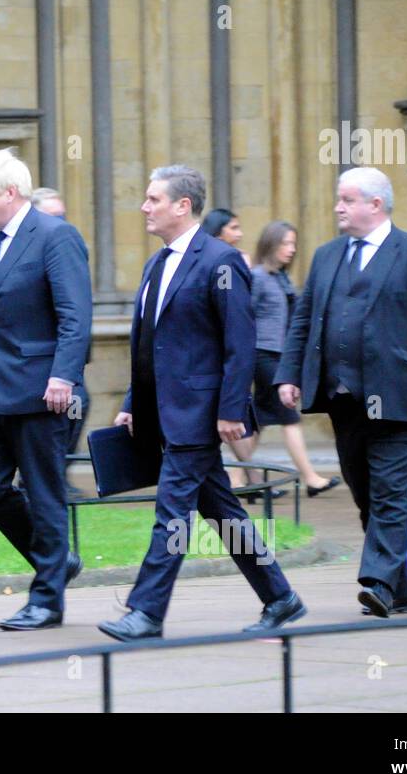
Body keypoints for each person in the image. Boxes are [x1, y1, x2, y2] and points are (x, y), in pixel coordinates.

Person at [99, 166, 304, 642]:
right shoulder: (157, 263)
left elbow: (240, 343)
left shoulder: (221, 261)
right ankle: (281, 598)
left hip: (199, 413)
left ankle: (146, 612)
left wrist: (232, 411)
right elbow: (150, 345)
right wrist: (134, 400)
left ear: (182, 206)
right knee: (223, 511)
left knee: (171, 514)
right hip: (166, 411)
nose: (145, 207)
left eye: (153, 199)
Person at [276, 167, 407, 618]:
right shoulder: (326, 256)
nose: (338, 207)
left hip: (401, 398)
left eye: (347, 199)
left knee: (390, 493)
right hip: (344, 400)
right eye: (339, 199)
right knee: (365, 492)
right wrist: (288, 374)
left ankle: (376, 581)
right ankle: (398, 589)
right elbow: (304, 321)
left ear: (375, 205)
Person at [0, 149, 92, 631]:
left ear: (10, 193)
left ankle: (47, 599)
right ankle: (58, 561)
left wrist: (63, 376)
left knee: (45, 490)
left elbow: (75, 315)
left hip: (41, 389)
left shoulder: (55, 237)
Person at [231, 221, 342, 498]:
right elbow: (243, 317)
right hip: (263, 355)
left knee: (262, 419)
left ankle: (235, 478)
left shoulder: (280, 278)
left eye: (294, 244)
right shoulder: (256, 277)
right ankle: (311, 478)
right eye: (285, 244)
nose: (291, 250)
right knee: (289, 417)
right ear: (271, 244)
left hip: (278, 354)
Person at [31, 187, 92, 496]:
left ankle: (55, 473)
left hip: (67, 356)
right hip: (43, 357)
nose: (62, 222)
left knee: (77, 406)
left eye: (63, 215)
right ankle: (42, 477)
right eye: (53, 216)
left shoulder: (65, 242)